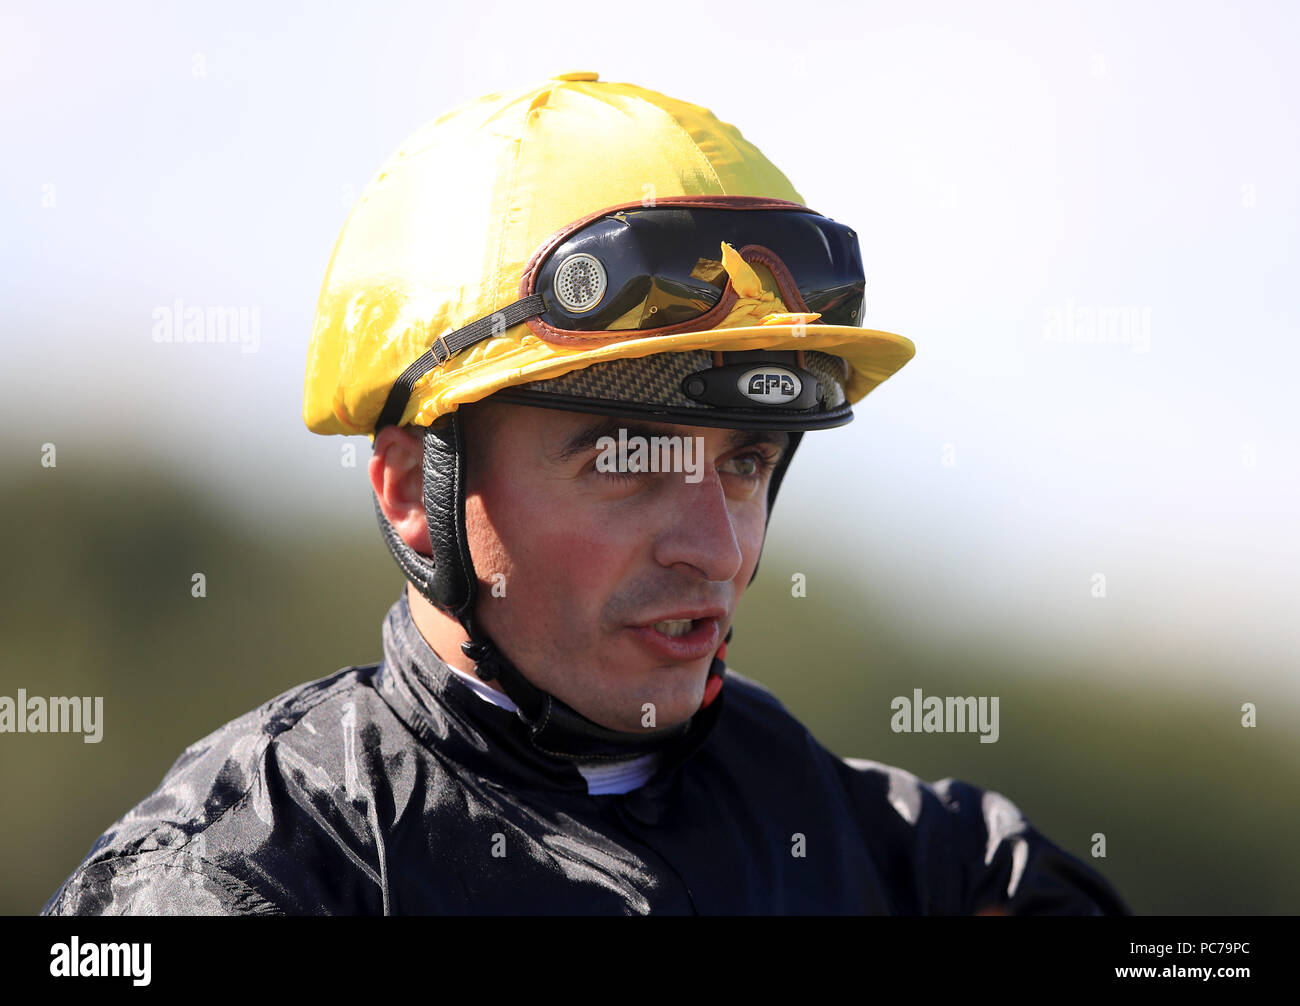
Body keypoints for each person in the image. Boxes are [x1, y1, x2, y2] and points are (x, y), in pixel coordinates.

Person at [42, 71, 1129, 915]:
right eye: (628, 459)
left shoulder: (887, 847)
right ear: (415, 490)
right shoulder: (241, 869)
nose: (712, 547)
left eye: (745, 462)